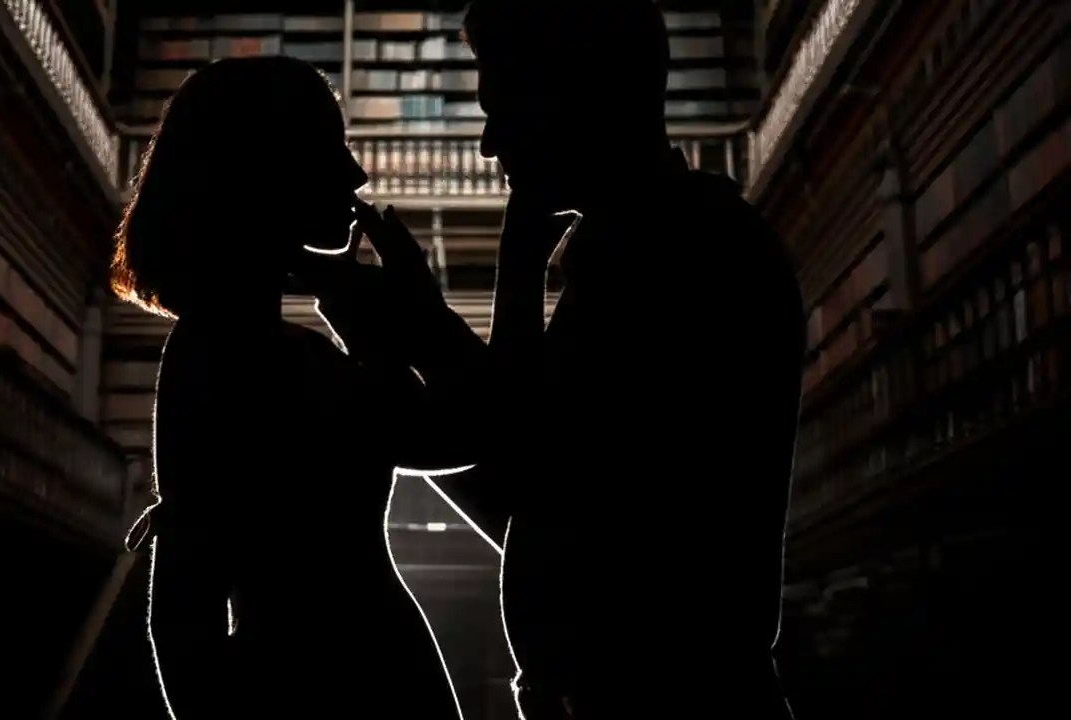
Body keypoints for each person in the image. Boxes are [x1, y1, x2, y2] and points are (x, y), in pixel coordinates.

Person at [316, 1, 806, 717]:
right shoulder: (661, 238)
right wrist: (422, 327)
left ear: (568, 95)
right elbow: (545, 500)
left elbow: (522, 470)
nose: (488, 146)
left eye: (500, 108)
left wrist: (430, 325)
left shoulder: (672, 252)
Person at [110, 57, 465, 719]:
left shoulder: (233, 349)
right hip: (334, 685)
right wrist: (419, 306)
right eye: (329, 149)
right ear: (264, 171)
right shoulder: (249, 357)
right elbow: (457, 430)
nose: (356, 175)